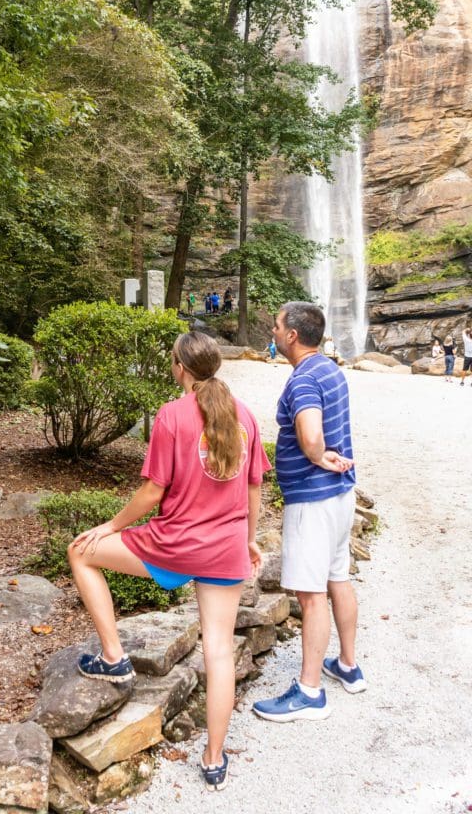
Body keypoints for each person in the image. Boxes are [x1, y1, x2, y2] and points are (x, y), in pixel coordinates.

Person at [68, 331, 270, 792]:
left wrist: (111, 526)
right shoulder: (245, 415)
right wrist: (249, 540)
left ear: (180, 367)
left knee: (80, 552)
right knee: (219, 651)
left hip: (174, 546)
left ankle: (114, 658)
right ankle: (214, 759)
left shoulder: (172, 415)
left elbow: (153, 491)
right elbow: (254, 487)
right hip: (225, 550)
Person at [252, 301, 364, 724]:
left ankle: (310, 692)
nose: (273, 331)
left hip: (312, 500)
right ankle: (348, 666)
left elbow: (311, 433)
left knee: (311, 595)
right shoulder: (330, 369)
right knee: (338, 578)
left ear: (293, 335)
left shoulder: (302, 380)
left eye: (276, 326)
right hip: (341, 496)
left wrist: (317, 457)